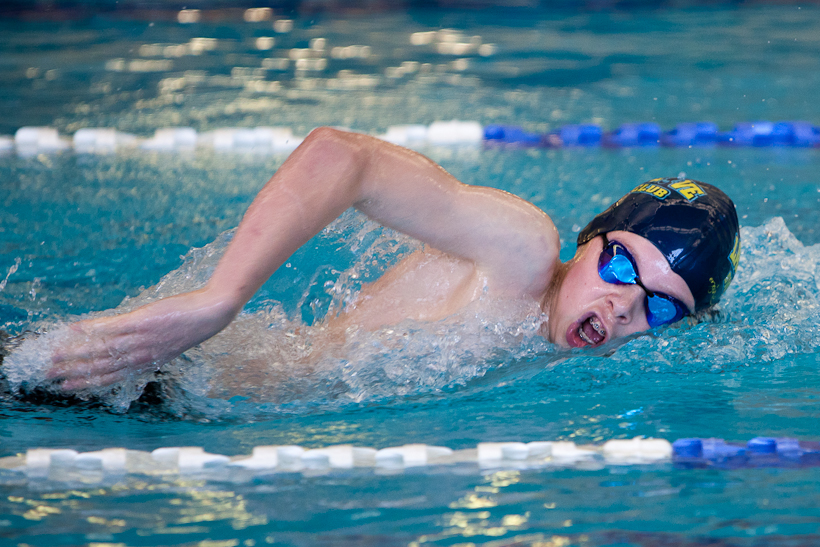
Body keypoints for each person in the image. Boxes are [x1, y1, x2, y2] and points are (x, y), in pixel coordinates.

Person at [39, 127, 739, 392]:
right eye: (621, 266)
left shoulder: (568, 354)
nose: (622, 305)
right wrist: (219, 300)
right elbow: (344, 157)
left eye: (660, 305)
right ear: (592, 237)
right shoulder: (519, 249)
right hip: (165, 371)